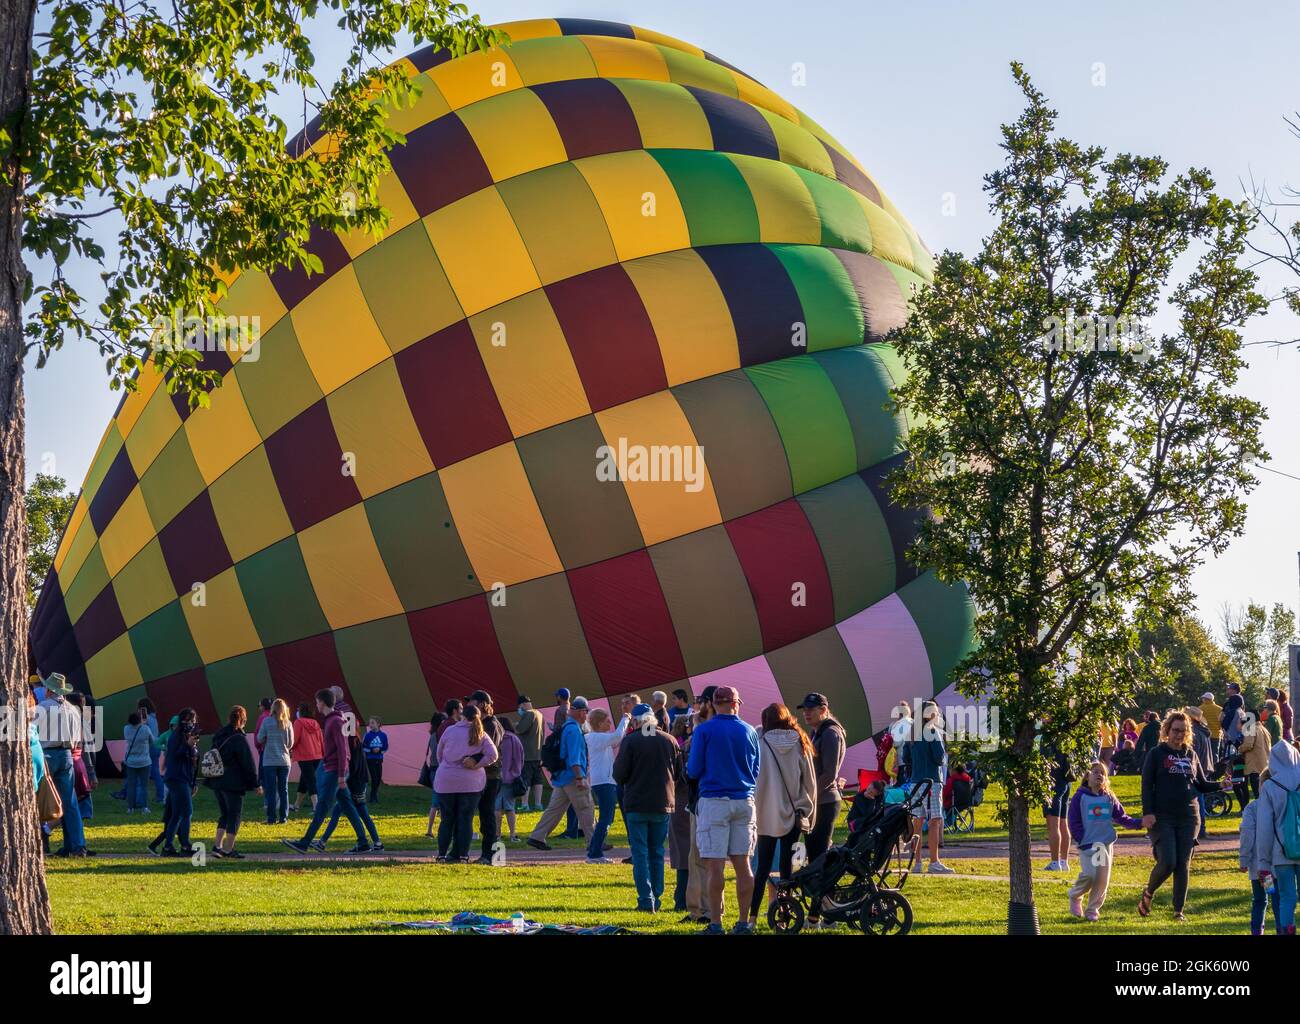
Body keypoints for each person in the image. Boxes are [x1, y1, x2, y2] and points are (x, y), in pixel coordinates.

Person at [1138, 710, 1227, 920]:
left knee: (1183, 864)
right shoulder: (1156, 753)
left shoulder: (1190, 754)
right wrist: (1148, 813)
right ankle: (1149, 892)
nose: (1179, 734)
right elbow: (1146, 786)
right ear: (1167, 730)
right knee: (1168, 861)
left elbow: (1201, 784)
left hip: (1189, 816)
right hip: (1163, 817)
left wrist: (1221, 784)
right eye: (1175, 730)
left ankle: (1178, 911)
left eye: (1183, 731)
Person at [686, 686, 761, 935]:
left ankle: (716, 923)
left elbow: (693, 769)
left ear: (714, 704)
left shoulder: (704, 730)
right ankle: (743, 922)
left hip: (714, 800)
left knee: (714, 866)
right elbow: (756, 770)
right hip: (744, 800)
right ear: (736, 703)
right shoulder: (750, 731)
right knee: (743, 865)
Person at [613, 702, 683, 912]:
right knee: (657, 853)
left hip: (637, 804)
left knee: (640, 853)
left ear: (635, 721)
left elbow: (619, 774)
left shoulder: (631, 741)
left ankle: (646, 899)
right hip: (663, 804)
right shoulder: (670, 740)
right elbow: (679, 773)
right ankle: (657, 897)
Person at [281, 689, 370, 854]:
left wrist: (342, 774)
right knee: (348, 806)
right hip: (334, 769)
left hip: (335, 771)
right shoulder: (332, 720)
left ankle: (304, 842)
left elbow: (343, 750)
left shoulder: (335, 722)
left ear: (322, 702)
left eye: (317, 702)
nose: (316, 705)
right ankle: (363, 842)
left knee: (322, 807)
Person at [751, 704, 816, 926]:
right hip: (793, 813)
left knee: (762, 870)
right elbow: (810, 782)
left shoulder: (760, 742)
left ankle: (750, 918)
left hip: (764, 813)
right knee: (787, 870)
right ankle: (785, 916)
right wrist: (809, 812)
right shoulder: (800, 741)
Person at [1065, 762, 1141, 921]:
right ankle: (1075, 895)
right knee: (1091, 875)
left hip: (1104, 844)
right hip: (1088, 844)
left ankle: (1092, 909)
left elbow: (1121, 817)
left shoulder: (1109, 797)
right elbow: (1073, 821)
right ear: (1088, 776)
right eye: (1095, 772)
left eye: (1103, 773)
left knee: (1102, 878)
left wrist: (1139, 823)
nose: (1099, 775)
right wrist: (1081, 838)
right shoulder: (1080, 796)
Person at [527, 696, 596, 851]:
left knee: (555, 809)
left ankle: (537, 837)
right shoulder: (574, 730)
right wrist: (580, 777)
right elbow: (574, 756)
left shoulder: (567, 726)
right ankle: (594, 842)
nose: (586, 715)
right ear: (580, 712)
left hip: (562, 776)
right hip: (573, 776)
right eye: (585, 711)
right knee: (586, 807)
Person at [433, 703, 498, 862]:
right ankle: (463, 855)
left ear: (462, 716)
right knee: (465, 818)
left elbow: (439, 754)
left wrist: (447, 767)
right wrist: (477, 764)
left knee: (447, 819)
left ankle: (441, 854)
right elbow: (493, 755)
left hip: (446, 780)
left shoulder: (450, 730)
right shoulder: (481, 733)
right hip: (471, 782)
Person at [38, 674, 91, 857]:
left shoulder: (42, 708)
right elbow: (78, 738)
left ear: (49, 690)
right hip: (67, 755)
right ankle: (77, 845)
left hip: (47, 754)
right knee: (70, 802)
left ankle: (40, 839)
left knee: (40, 797)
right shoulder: (73, 710)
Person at [1252, 741, 1300, 934]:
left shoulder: (1270, 787)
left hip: (1281, 854)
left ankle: (1287, 930)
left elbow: (1264, 828)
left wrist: (1263, 862)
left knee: (1287, 897)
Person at [317, 728, 384, 852]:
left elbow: (353, 767)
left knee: (339, 811)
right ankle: (377, 842)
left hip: (354, 784)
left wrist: (344, 778)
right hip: (359, 783)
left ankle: (323, 841)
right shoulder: (357, 742)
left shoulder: (351, 744)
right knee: (362, 814)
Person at [906, 700, 954, 874]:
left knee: (917, 822)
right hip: (932, 780)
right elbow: (940, 757)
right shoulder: (933, 731)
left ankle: (917, 862)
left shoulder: (913, 734)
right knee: (935, 821)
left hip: (915, 781)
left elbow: (905, 756)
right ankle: (934, 861)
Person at [207, 706, 261, 859]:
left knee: (224, 814)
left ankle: (217, 846)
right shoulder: (238, 738)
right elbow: (248, 763)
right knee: (235, 815)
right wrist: (255, 783)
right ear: (243, 720)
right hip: (233, 783)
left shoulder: (219, 735)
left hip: (216, 780)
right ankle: (228, 849)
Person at [798, 693, 845, 866]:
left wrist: (809, 795)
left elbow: (829, 774)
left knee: (819, 856)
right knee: (813, 855)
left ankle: (826, 893)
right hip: (817, 801)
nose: (806, 713)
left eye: (810, 709)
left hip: (824, 802)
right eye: (805, 710)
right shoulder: (816, 732)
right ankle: (820, 892)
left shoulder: (830, 734)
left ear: (823, 710)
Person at [585, 706, 630, 863]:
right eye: (606, 720)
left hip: (604, 780)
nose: (610, 722)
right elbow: (617, 737)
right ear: (598, 723)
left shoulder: (598, 738)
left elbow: (616, 740)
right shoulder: (595, 737)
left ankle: (594, 851)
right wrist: (626, 718)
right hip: (604, 781)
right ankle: (594, 854)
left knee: (607, 818)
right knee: (606, 818)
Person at [465, 691, 505, 864]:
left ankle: (490, 855)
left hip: (490, 776)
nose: (468, 705)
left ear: (481, 704)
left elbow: (491, 751)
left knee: (487, 815)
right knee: (483, 815)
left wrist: (473, 760)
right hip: (483, 775)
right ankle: (489, 854)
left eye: (471, 702)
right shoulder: (484, 723)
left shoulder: (492, 725)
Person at [1239, 768, 1280, 935]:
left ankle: (1257, 931)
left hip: (1260, 864)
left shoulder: (1253, 808)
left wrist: (1244, 859)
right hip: (1278, 864)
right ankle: (1282, 928)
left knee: (1260, 899)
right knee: (1277, 899)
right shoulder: (1281, 805)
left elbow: (1247, 835)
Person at [155, 707, 199, 857]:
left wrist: (193, 782)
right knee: (186, 812)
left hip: (183, 777)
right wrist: (188, 745)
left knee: (177, 814)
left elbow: (192, 760)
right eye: (187, 720)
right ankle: (185, 844)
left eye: (192, 721)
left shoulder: (186, 736)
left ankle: (168, 846)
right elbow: (175, 756)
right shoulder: (176, 736)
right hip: (177, 777)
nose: (190, 723)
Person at [667, 713, 694, 913]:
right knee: (688, 854)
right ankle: (684, 899)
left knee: (683, 854)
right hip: (686, 804)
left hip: (679, 804)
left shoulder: (673, 746)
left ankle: (682, 899)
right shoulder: (683, 749)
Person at [256, 698, 294, 824]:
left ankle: (271, 818)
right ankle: (283, 817)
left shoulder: (267, 721)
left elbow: (260, 738)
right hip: (284, 761)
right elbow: (290, 743)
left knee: (271, 790)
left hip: (269, 761)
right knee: (284, 790)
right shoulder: (288, 723)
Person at [1041, 728, 1073, 871]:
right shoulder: (1066, 735)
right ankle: (1064, 861)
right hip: (1066, 781)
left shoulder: (1049, 738)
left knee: (1053, 824)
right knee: (1062, 823)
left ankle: (1055, 862)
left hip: (1053, 781)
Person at [1184, 706, 1217, 840]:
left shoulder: (1194, 733)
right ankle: (1201, 828)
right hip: (1205, 767)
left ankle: (1200, 828)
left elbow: (1191, 754)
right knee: (1199, 798)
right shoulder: (1203, 731)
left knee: (1197, 799)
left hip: (1197, 769)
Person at [495, 716, 526, 842]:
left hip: (498, 777)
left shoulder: (497, 739)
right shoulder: (515, 739)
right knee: (510, 808)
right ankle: (513, 834)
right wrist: (514, 773)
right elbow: (520, 759)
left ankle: (497, 835)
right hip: (511, 779)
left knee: (496, 808)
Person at [290, 700, 323, 815]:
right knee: (304, 780)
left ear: (301, 711)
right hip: (317, 755)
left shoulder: (298, 722)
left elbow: (294, 740)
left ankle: (316, 807)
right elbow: (321, 739)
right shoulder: (316, 723)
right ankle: (296, 805)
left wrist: (289, 748)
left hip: (304, 756)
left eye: (298, 710)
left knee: (310, 781)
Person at [514, 696, 545, 812]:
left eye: (519, 707)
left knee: (525, 780)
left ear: (522, 704)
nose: (519, 709)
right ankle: (538, 804)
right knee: (537, 780)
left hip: (527, 754)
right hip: (537, 753)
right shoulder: (539, 714)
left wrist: (515, 724)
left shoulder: (528, 714)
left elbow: (520, 729)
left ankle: (525, 805)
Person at [122, 710, 155, 814]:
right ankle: (144, 807)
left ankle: (130, 808)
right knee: (144, 785)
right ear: (140, 719)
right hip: (145, 761)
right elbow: (152, 741)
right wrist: (144, 724)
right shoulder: (145, 729)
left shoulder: (126, 729)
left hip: (131, 761)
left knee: (131, 785)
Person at [1237, 710, 1271, 807]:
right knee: (1263, 792)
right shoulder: (1264, 729)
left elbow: (1248, 745)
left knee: (1257, 792)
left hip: (1254, 765)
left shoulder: (1251, 728)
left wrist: (1239, 749)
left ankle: (1261, 811)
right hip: (1265, 764)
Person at [424, 711, 447, 838]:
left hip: (433, 769)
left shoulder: (432, 735)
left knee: (435, 802)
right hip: (440, 769)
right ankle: (437, 828)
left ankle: (430, 829)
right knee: (440, 801)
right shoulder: (439, 736)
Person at [361, 716, 388, 803]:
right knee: (374, 777)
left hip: (379, 759)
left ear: (378, 724)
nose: (370, 725)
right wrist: (371, 750)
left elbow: (386, 747)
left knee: (378, 777)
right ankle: (373, 797)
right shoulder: (367, 735)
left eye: (372, 723)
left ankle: (374, 794)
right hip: (370, 759)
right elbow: (363, 746)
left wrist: (379, 750)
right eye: (369, 723)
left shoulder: (383, 735)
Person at [1221, 683, 1245, 747]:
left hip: (1229, 736)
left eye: (1229, 688)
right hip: (1239, 737)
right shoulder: (1241, 702)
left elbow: (1221, 718)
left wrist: (1224, 729)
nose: (1227, 689)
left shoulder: (1229, 703)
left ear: (1234, 690)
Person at [1199, 692, 1223, 757]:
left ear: (1206, 699)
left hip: (1204, 734)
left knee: (1204, 754)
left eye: (1203, 698)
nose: (1202, 700)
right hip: (1216, 735)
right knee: (1215, 754)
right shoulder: (1220, 709)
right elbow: (1222, 722)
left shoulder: (1200, 709)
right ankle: (1215, 767)